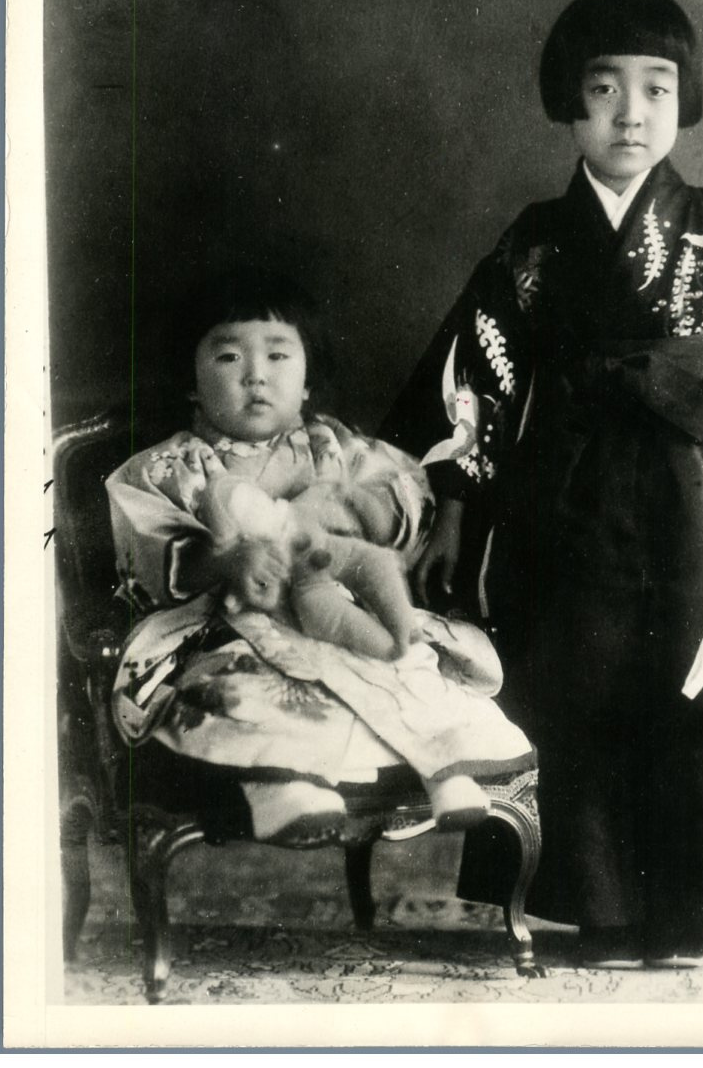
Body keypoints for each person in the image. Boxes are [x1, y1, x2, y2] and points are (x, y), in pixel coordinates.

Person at [380, 0, 703, 968]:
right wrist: (453, 513)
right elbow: (472, 380)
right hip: (563, 497)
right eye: (602, 89)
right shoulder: (534, 241)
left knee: (692, 684)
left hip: (696, 497)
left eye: (655, 88)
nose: (629, 111)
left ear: (682, 102)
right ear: (566, 106)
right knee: (580, 680)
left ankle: (683, 908)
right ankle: (599, 908)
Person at [106, 267, 534, 844]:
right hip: (224, 620)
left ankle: (449, 772)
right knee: (242, 688)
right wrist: (227, 560)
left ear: (307, 380)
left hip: (339, 610)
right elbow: (146, 541)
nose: (256, 375)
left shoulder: (335, 447)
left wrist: (345, 507)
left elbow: (407, 500)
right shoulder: (173, 466)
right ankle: (283, 786)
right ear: (192, 377)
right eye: (229, 358)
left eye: (279, 356)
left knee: (408, 670)